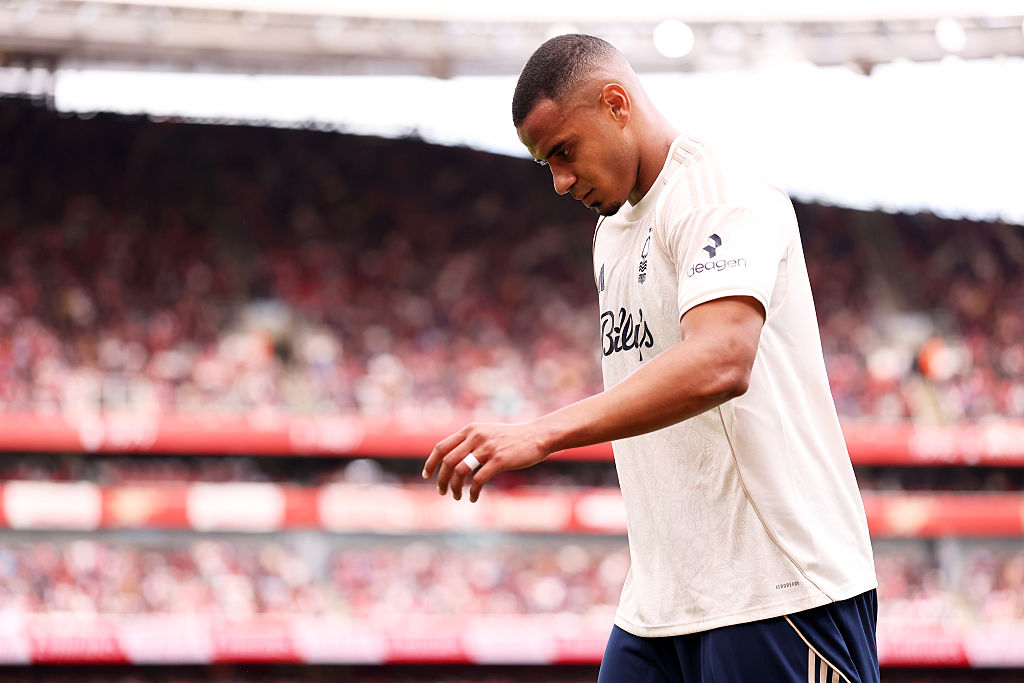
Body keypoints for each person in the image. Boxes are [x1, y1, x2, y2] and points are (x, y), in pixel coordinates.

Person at [422, 34, 879, 682]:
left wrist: (542, 432)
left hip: (777, 589)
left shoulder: (719, 185)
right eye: (543, 164)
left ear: (616, 103)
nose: (558, 182)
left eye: (563, 152)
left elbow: (722, 358)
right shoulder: (611, 231)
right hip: (661, 606)